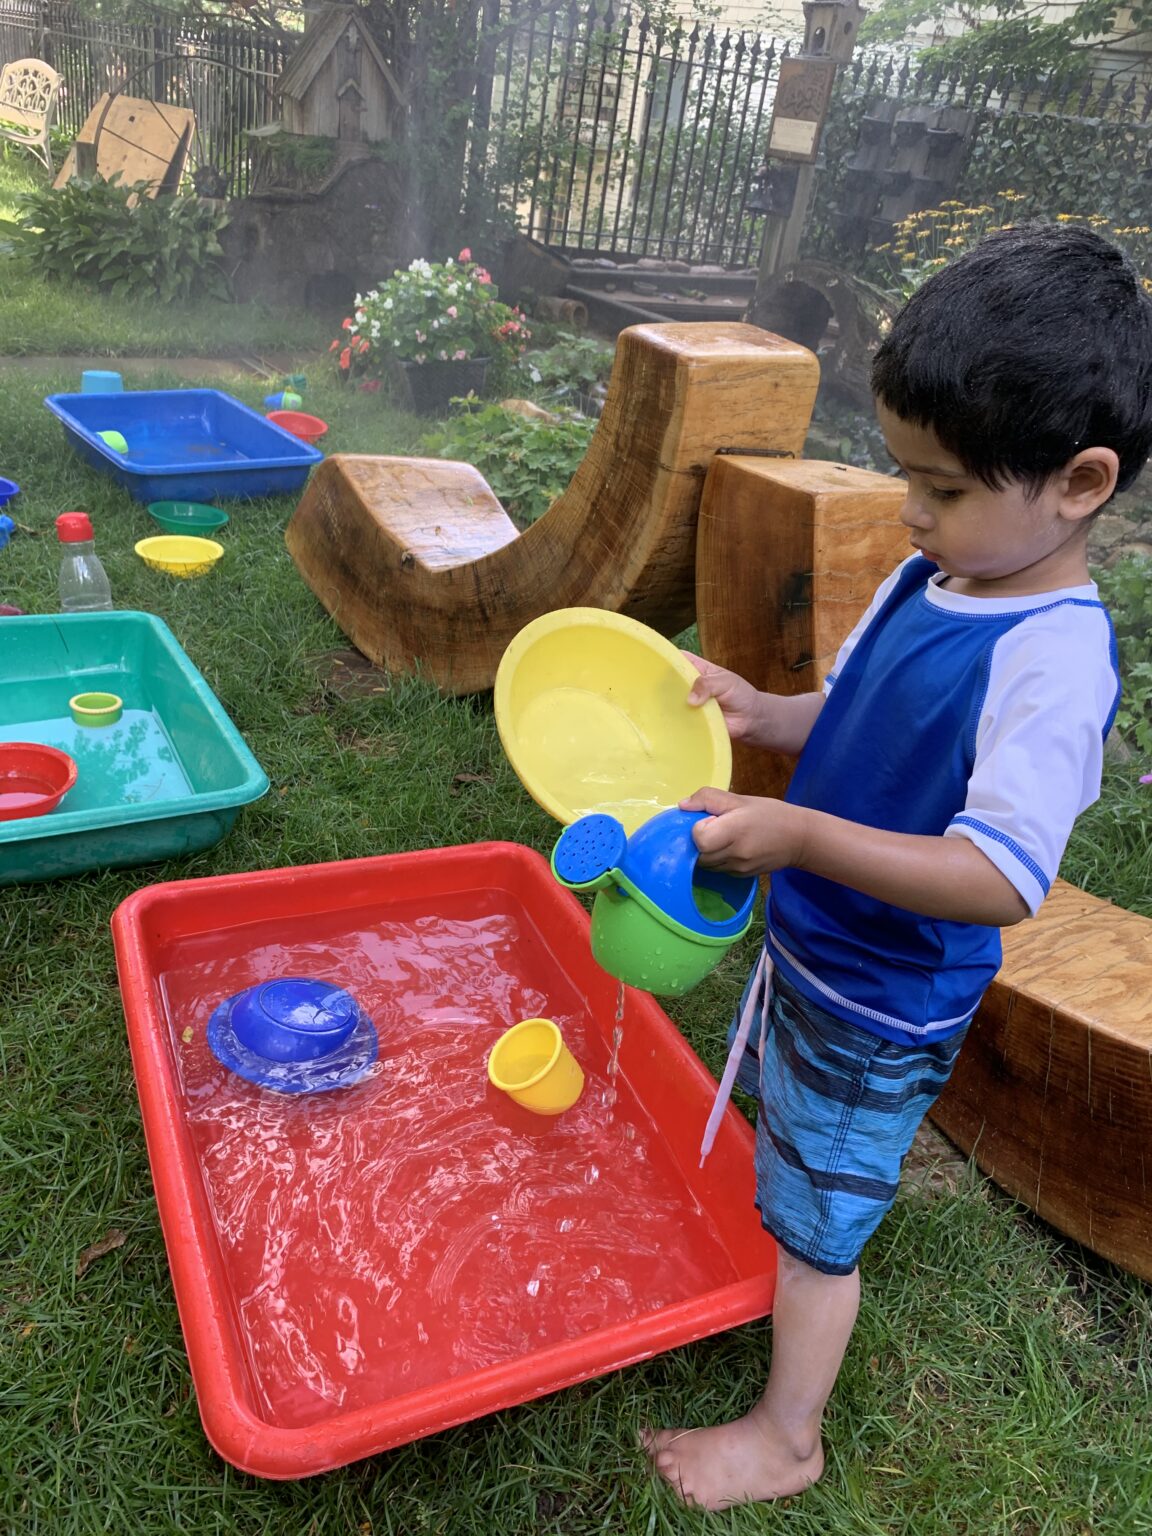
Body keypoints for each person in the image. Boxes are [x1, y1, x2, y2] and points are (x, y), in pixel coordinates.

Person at [642, 222, 1152, 1509]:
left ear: (1080, 483)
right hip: (814, 949)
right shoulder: (940, 574)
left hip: (884, 1000)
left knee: (820, 1233)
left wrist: (803, 836)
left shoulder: (1054, 658)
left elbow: (999, 876)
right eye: (903, 476)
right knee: (791, 1141)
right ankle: (786, 1192)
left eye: (943, 486)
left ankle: (786, 1439)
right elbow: (856, 704)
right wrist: (768, 714)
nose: (913, 512)